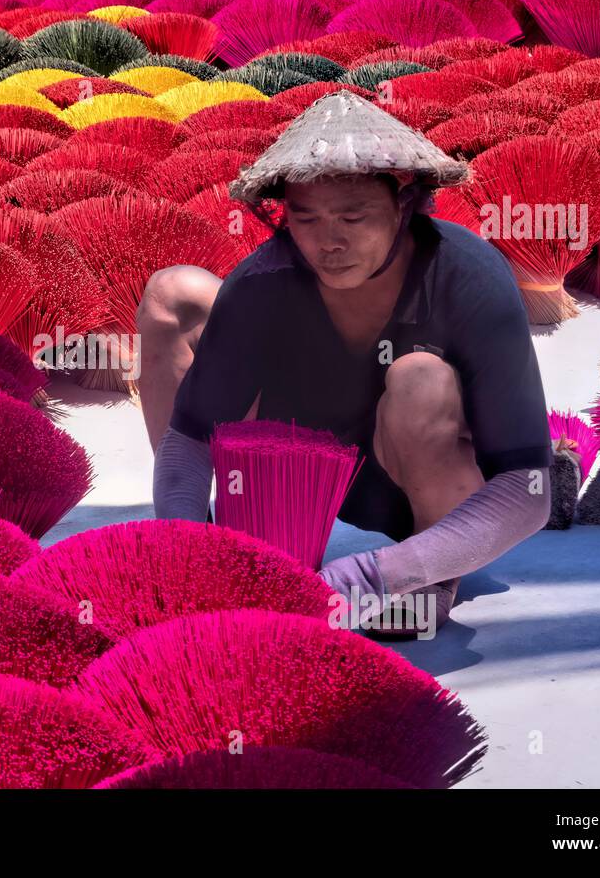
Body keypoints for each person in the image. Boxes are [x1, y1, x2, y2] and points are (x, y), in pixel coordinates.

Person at [138, 91, 552, 635]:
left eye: (353, 217)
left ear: (405, 202)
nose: (328, 243)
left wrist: (374, 577)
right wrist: (187, 549)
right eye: (305, 219)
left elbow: (527, 487)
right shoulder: (266, 280)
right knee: (174, 293)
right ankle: (233, 542)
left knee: (420, 378)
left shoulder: (469, 277)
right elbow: (188, 439)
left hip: (416, 482)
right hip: (296, 466)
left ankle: (427, 577)